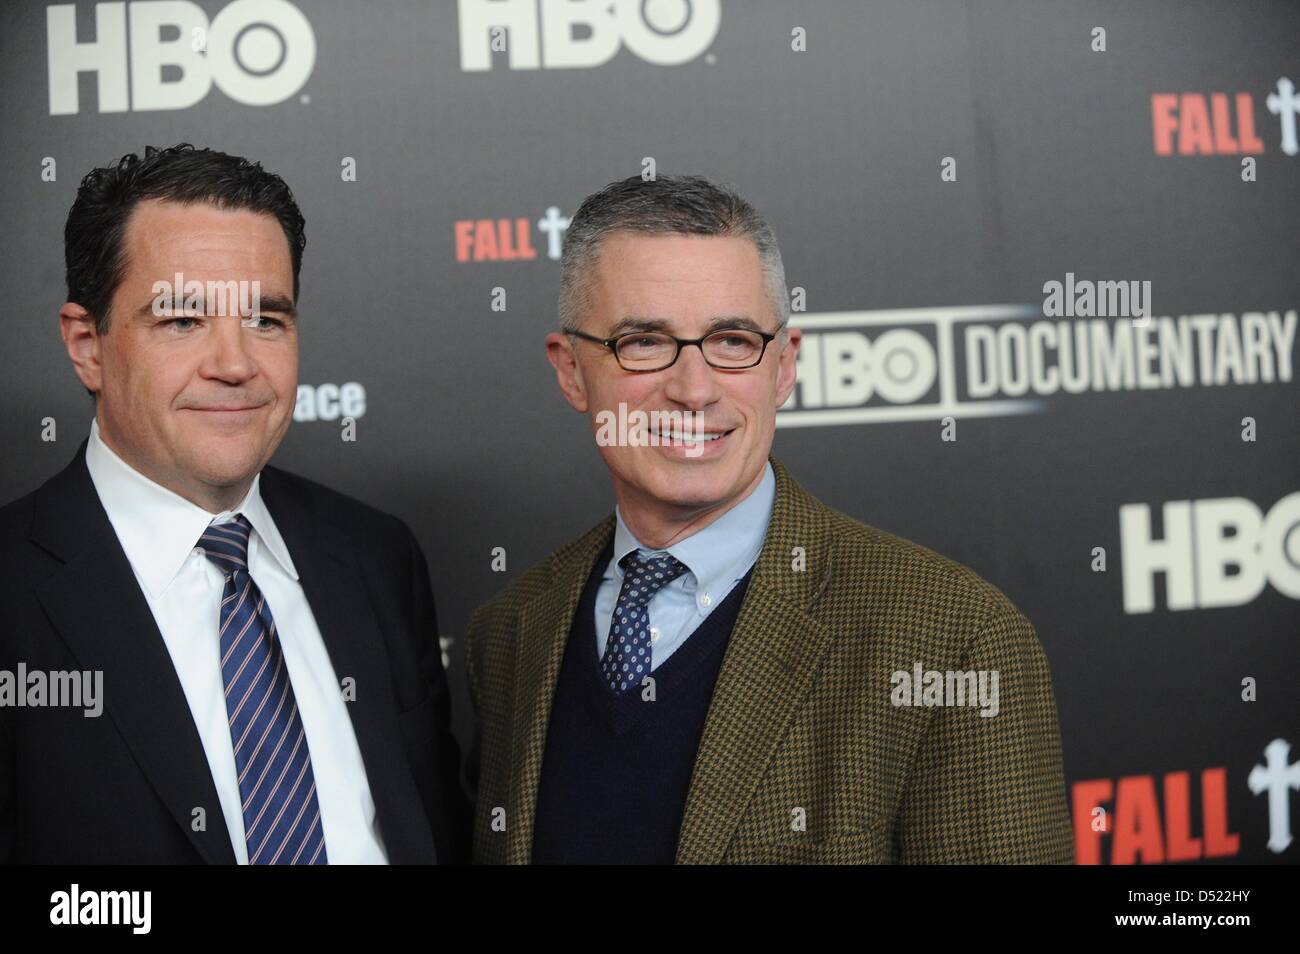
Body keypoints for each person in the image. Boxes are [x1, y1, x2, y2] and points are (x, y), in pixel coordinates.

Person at [464, 174, 1073, 863]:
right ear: (571, 371)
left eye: (731, 340)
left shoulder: (955, 638)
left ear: (783, 366)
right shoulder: (510, 634)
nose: (693, 390)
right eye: (643, 342)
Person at [0, 144, 467, 864]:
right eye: (183, 320)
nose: (235, 363)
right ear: (87, 344)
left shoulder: (376, 557)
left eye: (265, 320)